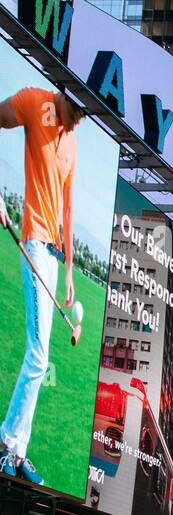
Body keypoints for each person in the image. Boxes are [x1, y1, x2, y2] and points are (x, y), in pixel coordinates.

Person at [0, 85, 84, 486]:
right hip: (32, 240)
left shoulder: (74, 143)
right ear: (64, 95)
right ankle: (6, 445)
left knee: (41, 355)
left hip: (53, 255)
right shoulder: (36, 102)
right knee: (37, 355)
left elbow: (68, 208)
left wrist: (70, 270)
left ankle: (18, 450)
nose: (78, 120)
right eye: (77, 110)